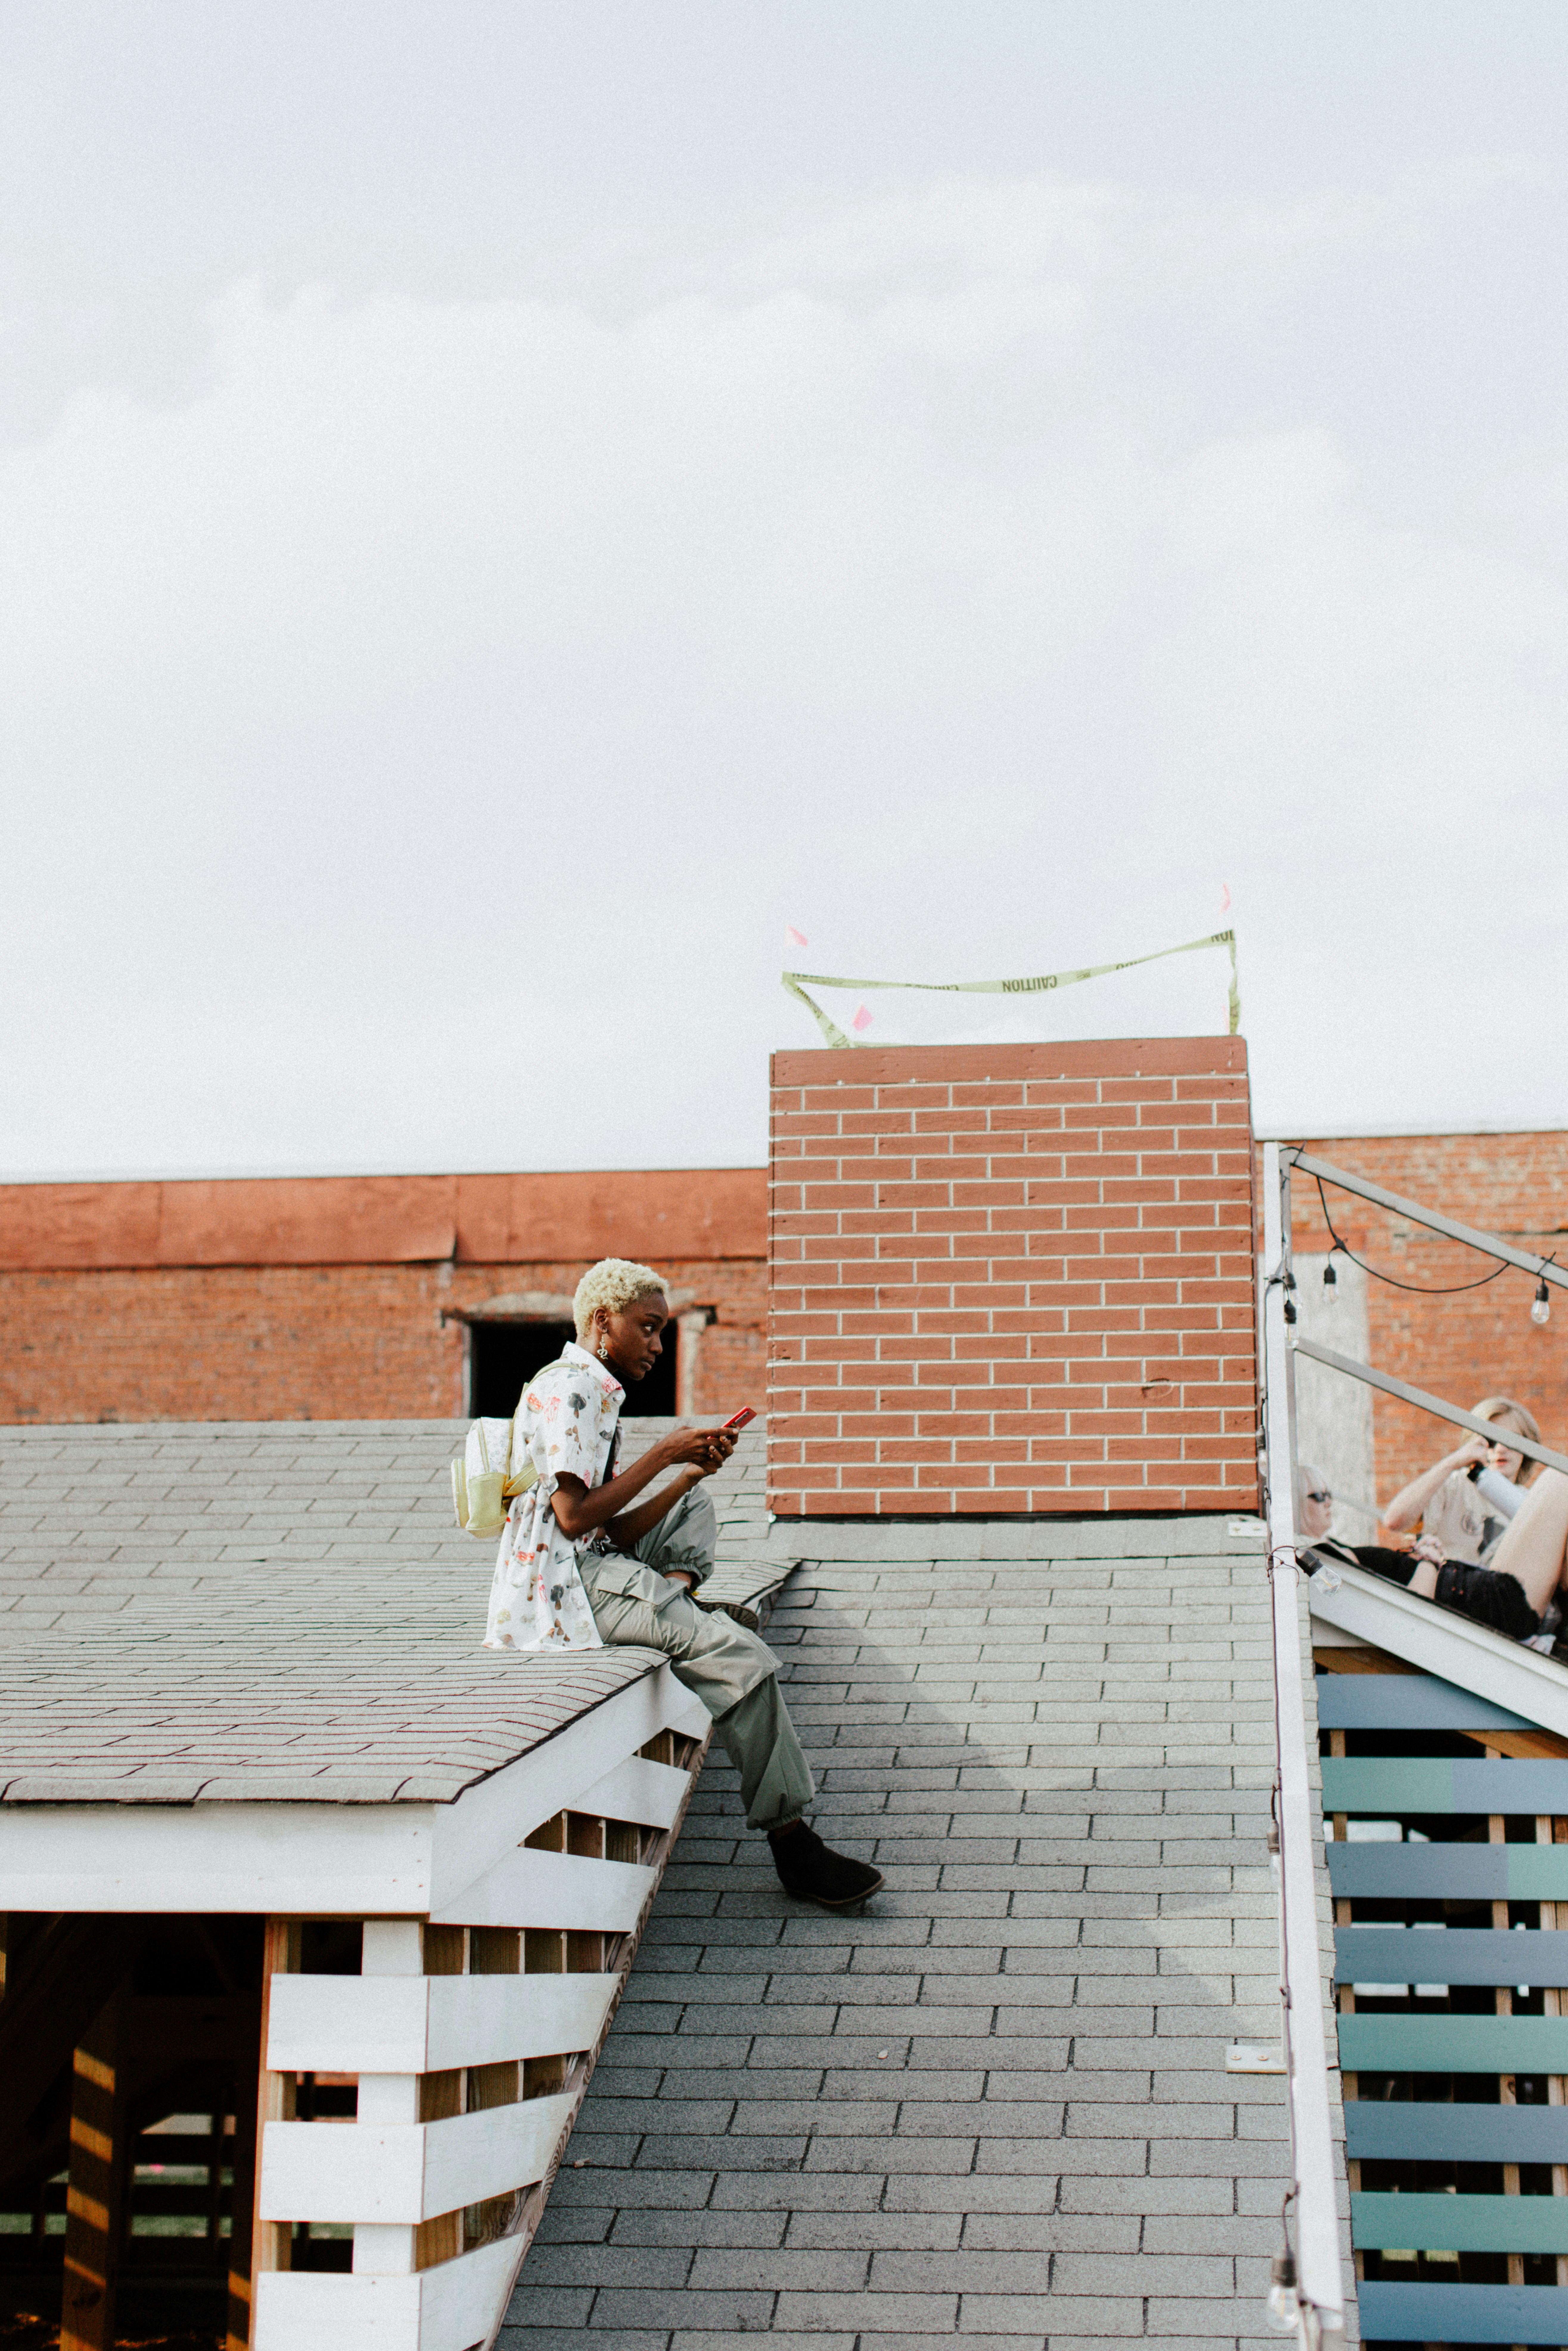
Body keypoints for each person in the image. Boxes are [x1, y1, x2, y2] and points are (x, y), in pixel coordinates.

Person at [483, 1255, 884, 1911]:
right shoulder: (573, 1389)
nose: (658, 1347)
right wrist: (665, 1451)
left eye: (663, 1332)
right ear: (602, 1321)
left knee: (692, 1505)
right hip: (562, 1586)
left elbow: (612, 1529)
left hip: (590, 1561)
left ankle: (675, 1612)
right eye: (647, 1328)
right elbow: (574, 1518)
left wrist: (686, 1475)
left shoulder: (589, 1388)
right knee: (742, 1656)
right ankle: (793, 1847)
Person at [1296, 1458, 1551, 1645]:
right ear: (1295, 1502)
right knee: (1555, 1486)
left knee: (1551, 1507)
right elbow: (1410, 1612)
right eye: (1318, 1496)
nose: (1328, 1501)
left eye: (1329, 1494)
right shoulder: (1317, 1558)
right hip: (1482, 1598)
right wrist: (1428, 1560)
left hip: (1478, 1590)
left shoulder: (1334, 1550)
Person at [1381, 1397, 1543, 1569]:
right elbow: (1394, 1520)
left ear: (1528, 1447)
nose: (1501, 1449)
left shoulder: (1531, 1502)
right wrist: (1453, 1462)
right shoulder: (1455, 1486)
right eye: (1492, 1440)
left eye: (1512, 1440)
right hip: (1447, 1586)